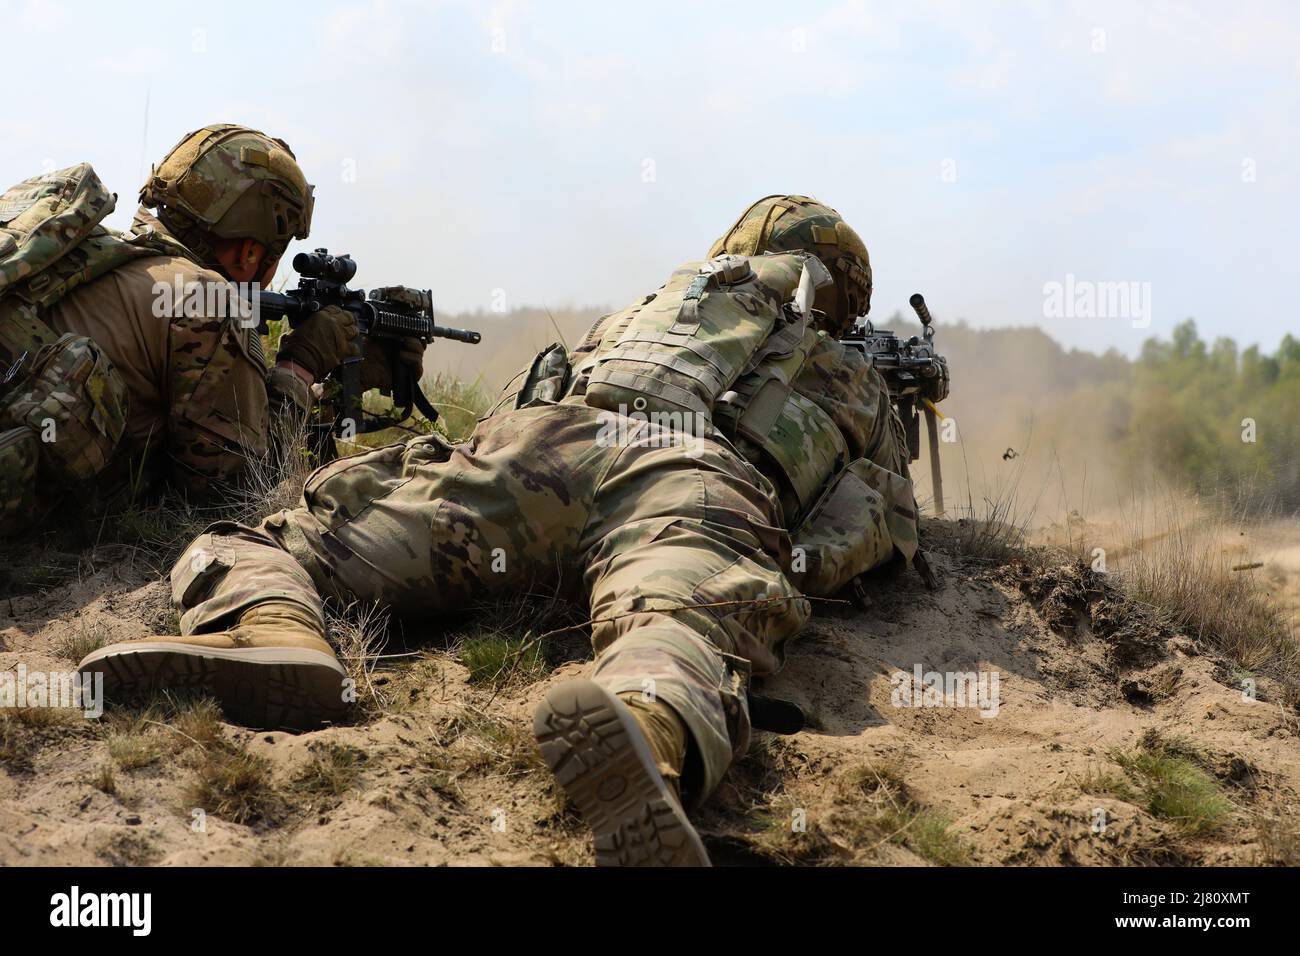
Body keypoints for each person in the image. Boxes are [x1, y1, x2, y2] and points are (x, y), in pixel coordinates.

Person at [80, 195, 930, 867]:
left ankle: (274, 631)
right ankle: (645, 723)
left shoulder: (650, 312)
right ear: (845, 296)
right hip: (693, 477)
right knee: (682, 621)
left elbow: (522, 401)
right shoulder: (850, 370)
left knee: (270, 538)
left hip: (543, 450)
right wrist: (794, 553)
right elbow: (875, 520)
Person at [0, 124, 358, 535]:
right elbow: (233, 494)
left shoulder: (90, 255)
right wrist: (301, 368)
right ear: (250, 251)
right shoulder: (205, 301)